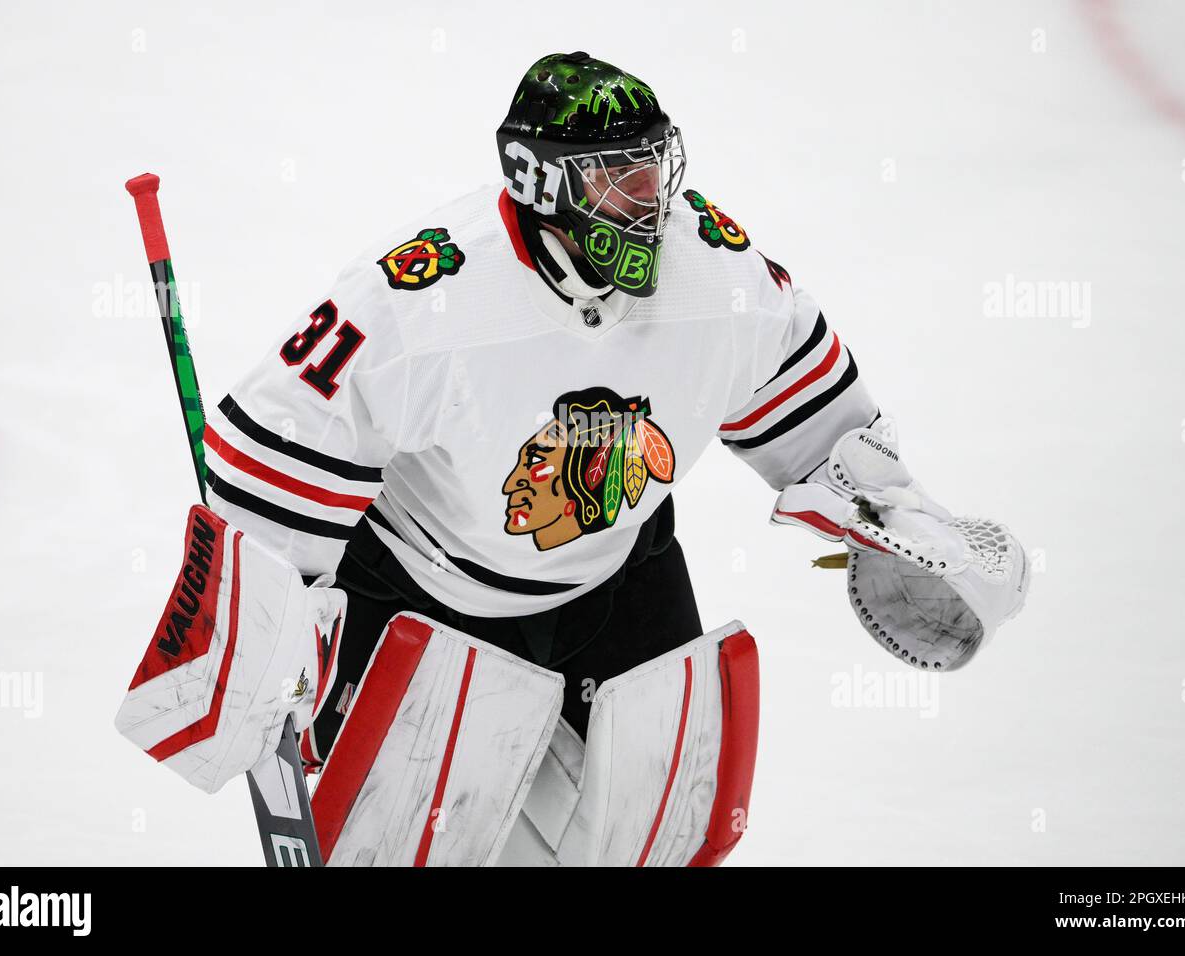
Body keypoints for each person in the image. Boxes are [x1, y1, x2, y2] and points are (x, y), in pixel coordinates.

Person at [118, 52, 1028, 866]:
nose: (650, 201)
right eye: (617, 178)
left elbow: (821, 422)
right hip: (422, 596)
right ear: (540, 181)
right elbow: (274, 450)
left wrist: (888, 516)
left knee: (663, 835)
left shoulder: (717, 277)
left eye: (653, 168)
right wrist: (263, 629)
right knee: (390, 847)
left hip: (619, 581)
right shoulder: (425, 298)